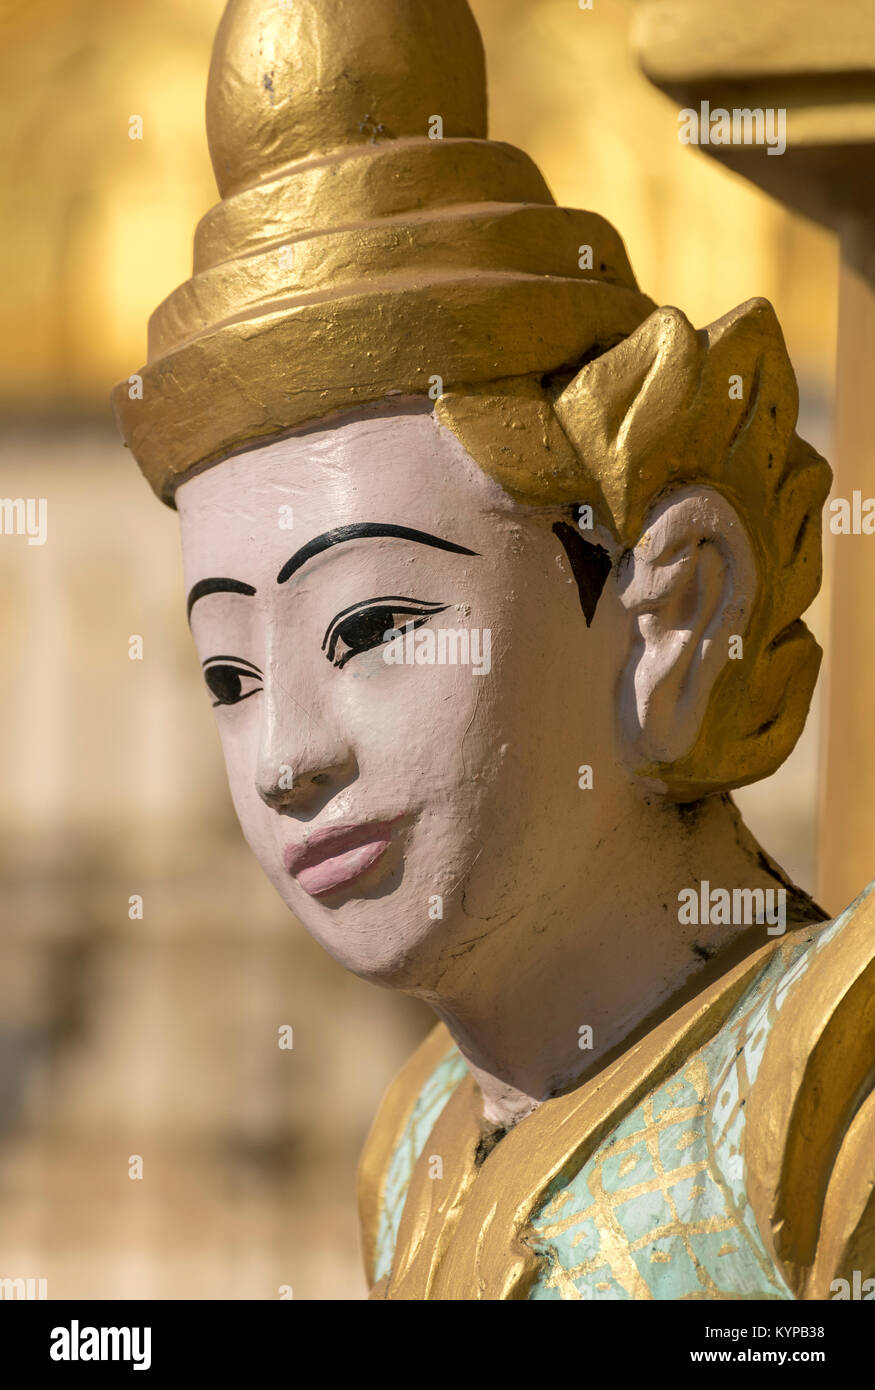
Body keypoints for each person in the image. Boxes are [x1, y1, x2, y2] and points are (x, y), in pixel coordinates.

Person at [112, 0, 875, 1300]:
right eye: (229, 675)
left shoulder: (822, 1106)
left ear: (669, 609)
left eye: (369, 626)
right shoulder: (416, 1143)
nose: (289, 755)